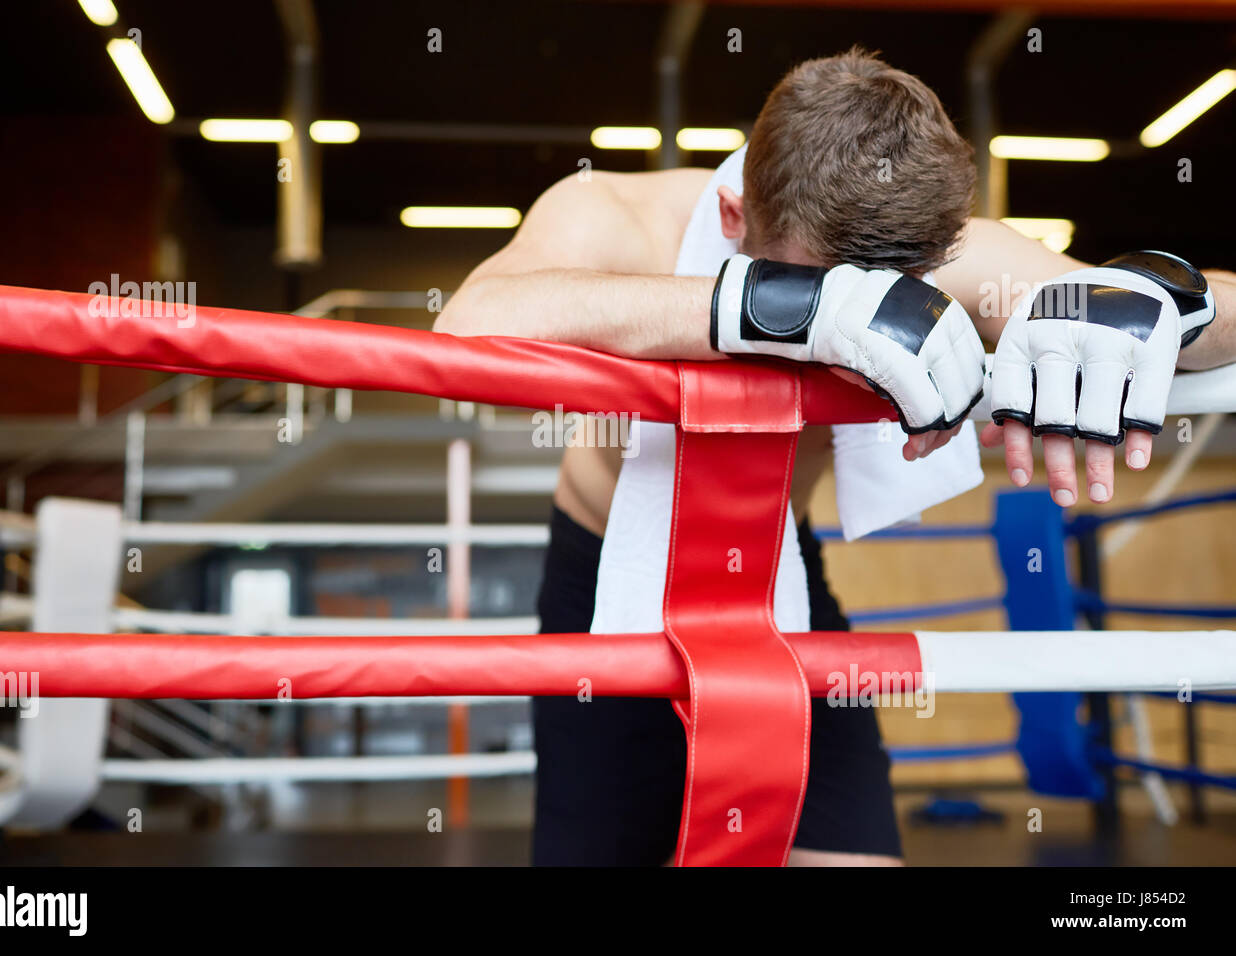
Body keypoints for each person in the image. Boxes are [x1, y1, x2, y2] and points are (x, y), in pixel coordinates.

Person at [434, 48, 1236, 867]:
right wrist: (775, 310)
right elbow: (467, 325)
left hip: (773, 572)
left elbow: (1221, 310)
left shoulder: (949, 257)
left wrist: (1157, 297)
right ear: (732, 215)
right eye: (810, 279)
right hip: (608, 570)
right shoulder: (610, 214)